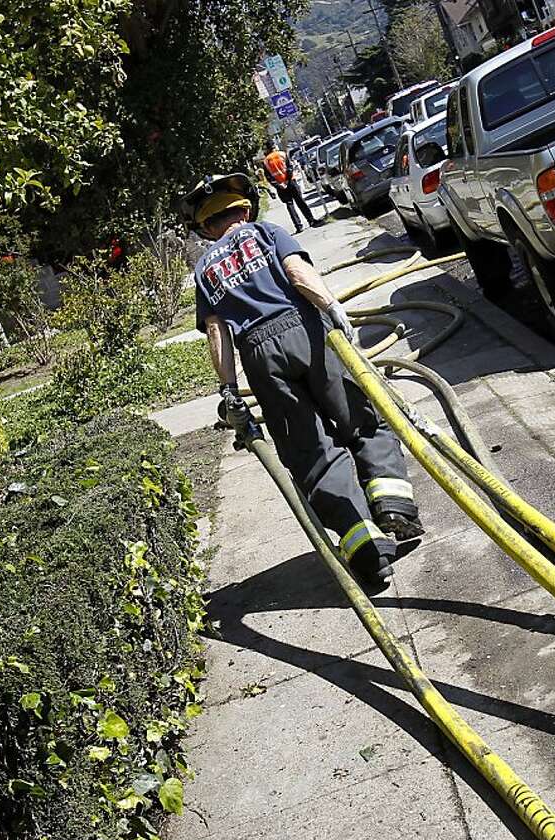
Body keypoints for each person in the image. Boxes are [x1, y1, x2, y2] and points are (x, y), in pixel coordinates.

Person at [176, 173, 423, 586]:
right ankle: (393, 508)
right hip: (306, 333)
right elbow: (296, 271)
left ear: (206, 228)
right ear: (246, 209)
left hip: (259, 356)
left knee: (310, 451)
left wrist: (228, 388)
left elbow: (218, 331)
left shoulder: (205, 268)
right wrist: (331, 306)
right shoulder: (267, 232)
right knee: (359, 418)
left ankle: (364, 544)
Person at [262, 141, 319, 233]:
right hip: (291, 182)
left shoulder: (266, 161)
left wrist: (278, 185)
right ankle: (311, 220)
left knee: (290, 205)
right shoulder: (282, 154)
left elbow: (269, 177)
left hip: (280, 186)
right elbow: (289, 168)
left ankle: (298, 226)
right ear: (274, 146)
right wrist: (287, 180)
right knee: (300, 201)